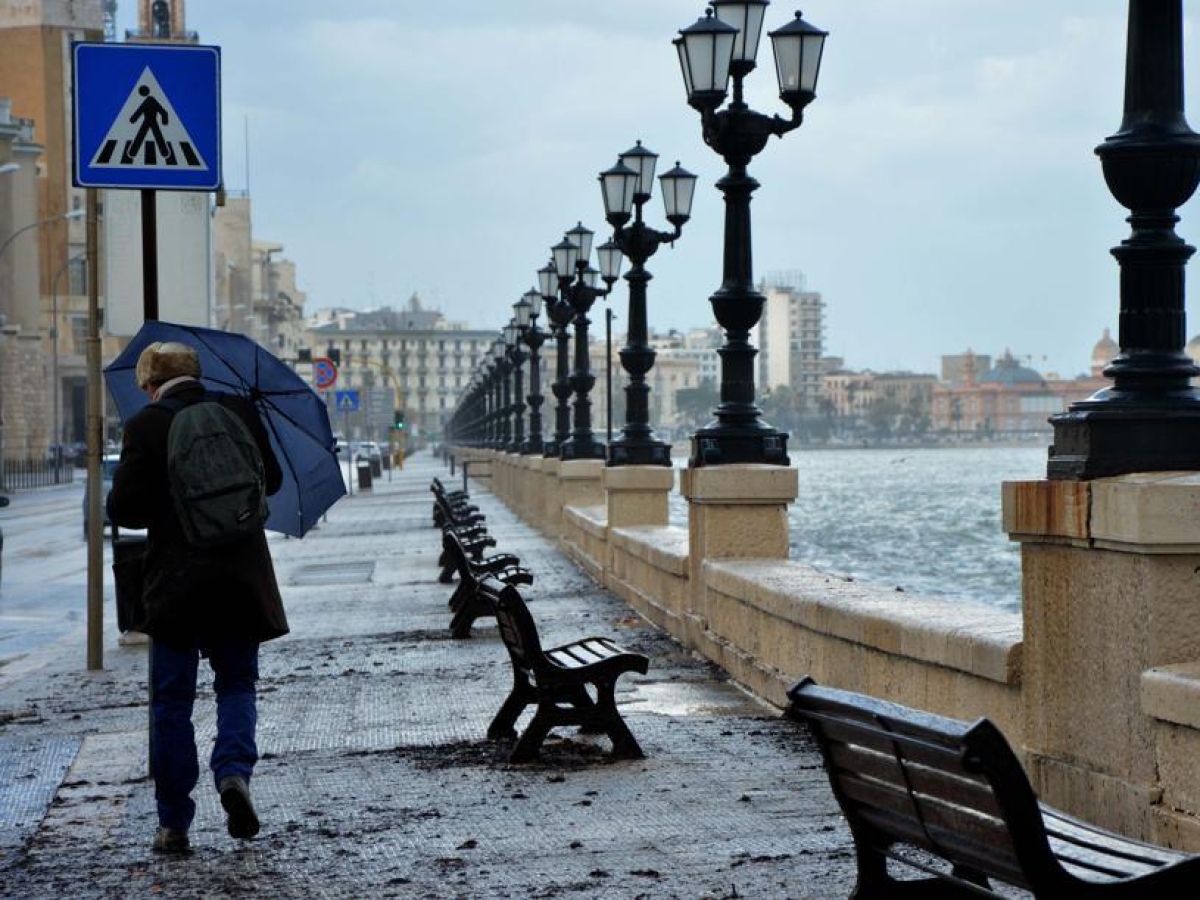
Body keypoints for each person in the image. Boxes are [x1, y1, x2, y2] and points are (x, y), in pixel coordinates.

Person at [107, 341, 287, 854]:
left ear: (148, 383)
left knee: (171, 702)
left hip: (176, 584)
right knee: (236, 685)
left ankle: (174, 822)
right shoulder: (238, 411)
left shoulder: (146, 425)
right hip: (240, 578)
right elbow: (269, 481)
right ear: (196, 374)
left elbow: (125, 509)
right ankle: (233, 772)